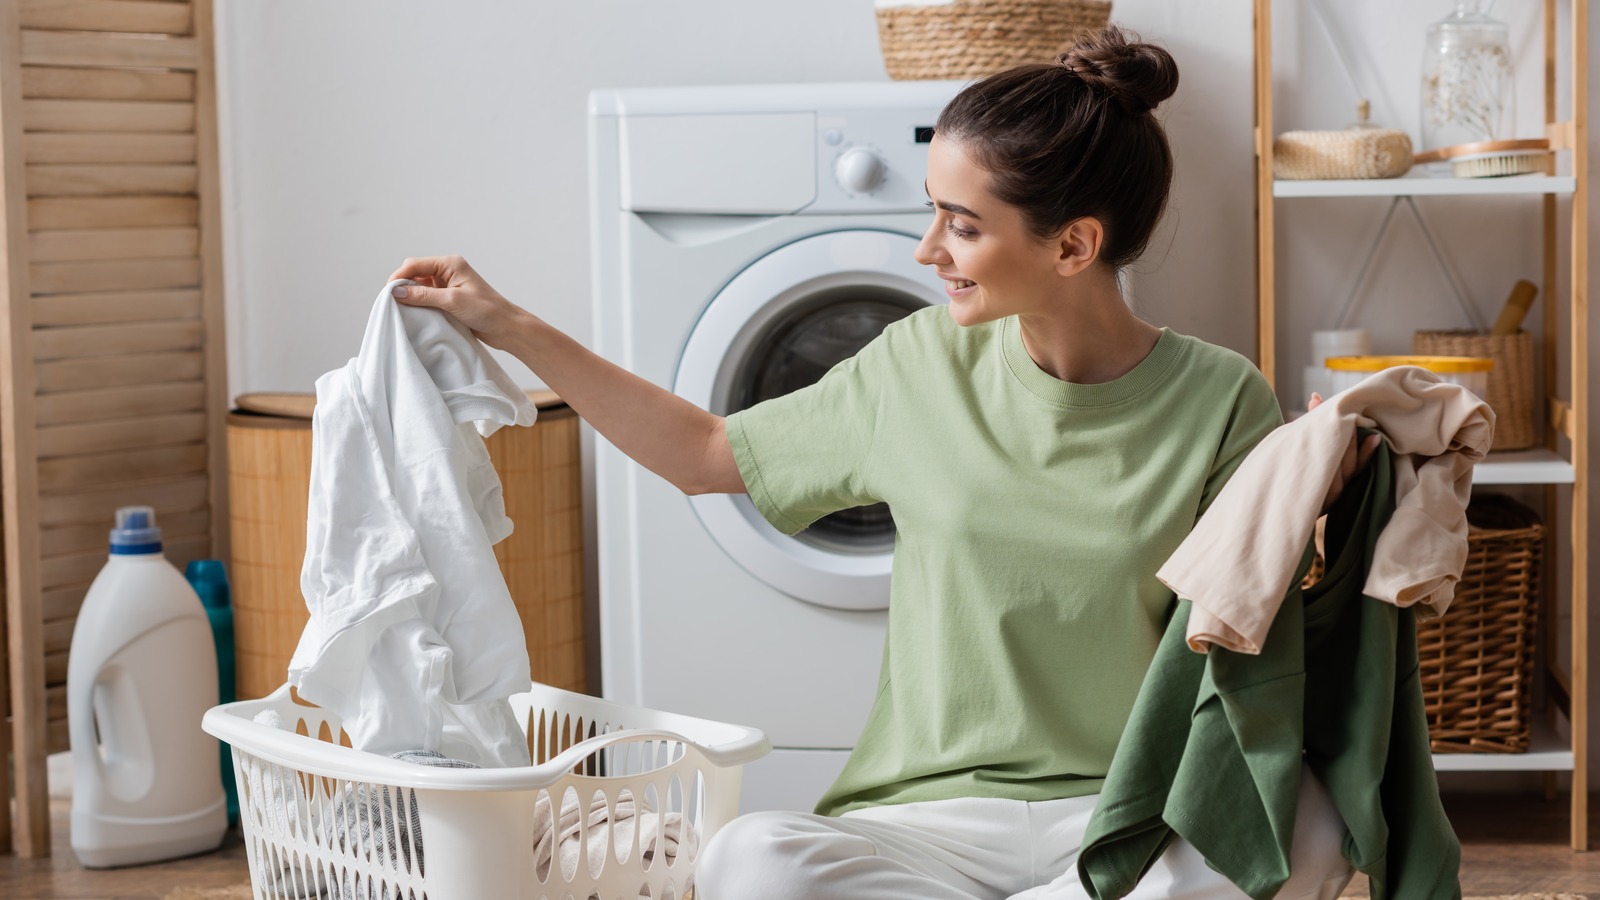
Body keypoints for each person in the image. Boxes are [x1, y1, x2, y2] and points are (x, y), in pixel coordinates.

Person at [389, 25, 1379, 900]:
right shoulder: (920, 363)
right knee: (753, 859)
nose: (923, 251)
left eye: (960, 223)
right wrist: (509, 326)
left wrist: (1323, 495)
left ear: (1073, 245)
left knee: (1308, 829)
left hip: (1130, 810)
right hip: (929, 824)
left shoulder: (1219, 400)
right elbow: (704, 452)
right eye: (932, 211)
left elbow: (1259, 630)